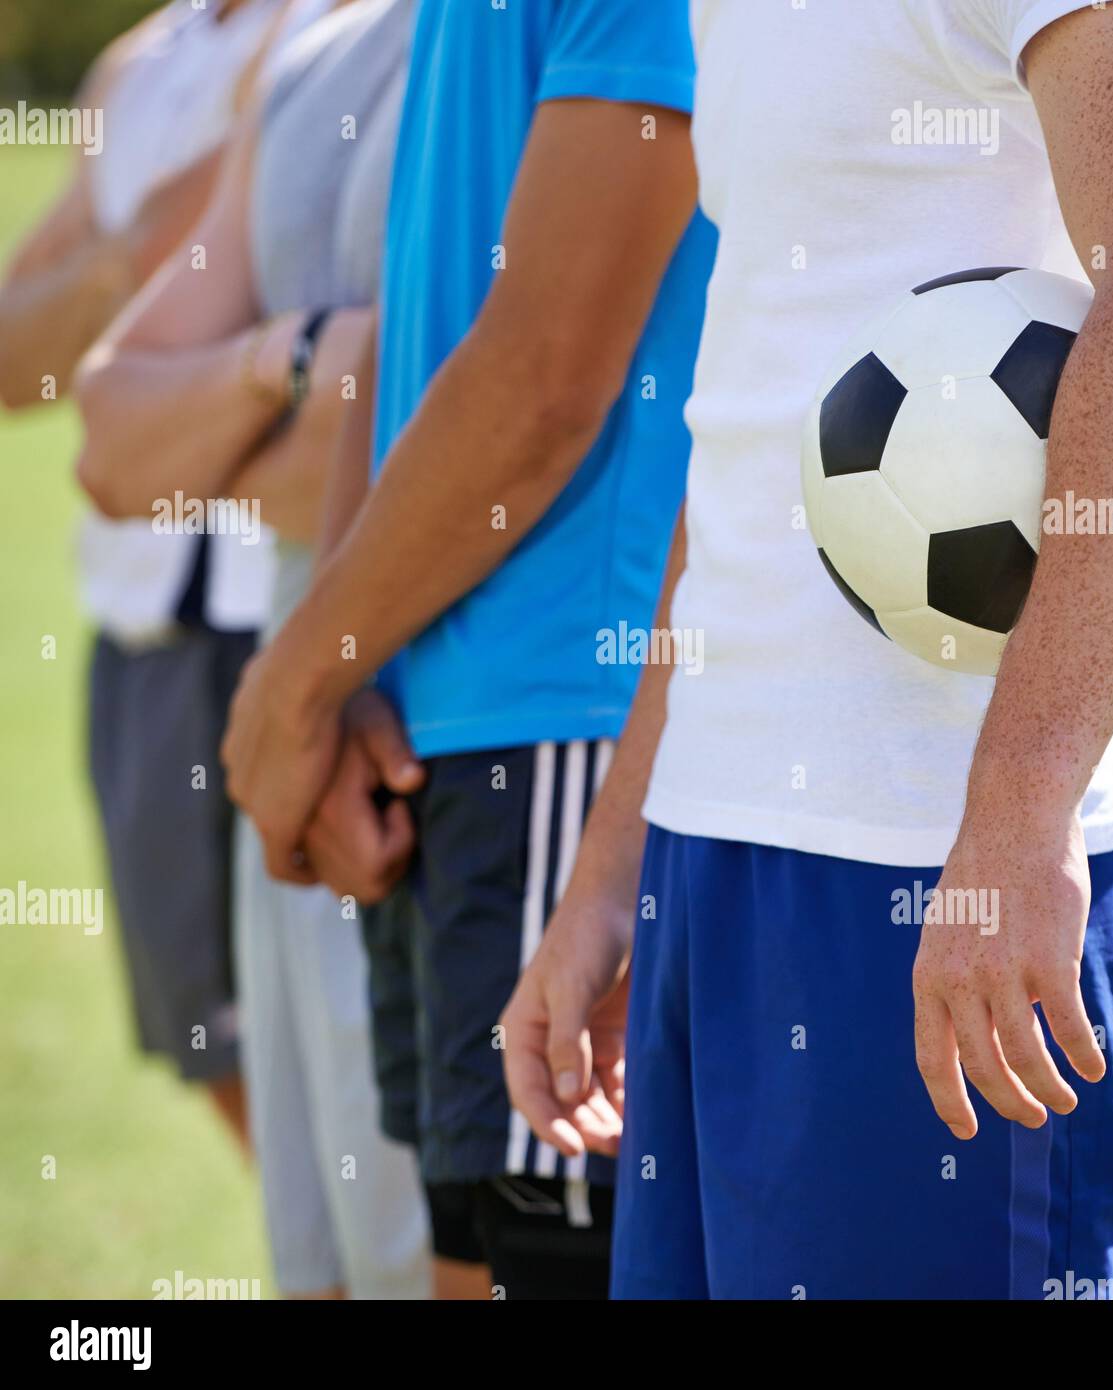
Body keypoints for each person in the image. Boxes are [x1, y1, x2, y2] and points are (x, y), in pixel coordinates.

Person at [501, 0, 1113, 1299]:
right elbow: (750, 428)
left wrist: (1020, 812)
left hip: (931, 881)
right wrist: (608, 874)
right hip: (710, 862)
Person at [219, 0, 716, 1297]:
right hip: (444, 718)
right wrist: (342, 672)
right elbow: (413, 330)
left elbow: (549, 377)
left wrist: (293, 685)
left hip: (572, 717)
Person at [74, 0, 429, 1300]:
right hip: (286, 736)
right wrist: (290, 359)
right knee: (319, 1261)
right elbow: (108, 437)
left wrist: (228, 413)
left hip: (423, 750)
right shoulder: (307, 52)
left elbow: (456, 421)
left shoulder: (515, 32)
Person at [0, 0, 333, 1147]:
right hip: (142, 637)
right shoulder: (137, 65)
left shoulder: (335, 28)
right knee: (222, 1063)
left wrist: (114, 275)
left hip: (284, 619)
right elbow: (11, 357)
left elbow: (169, 271)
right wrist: (125, 262)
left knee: (343, 1088)